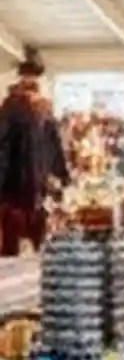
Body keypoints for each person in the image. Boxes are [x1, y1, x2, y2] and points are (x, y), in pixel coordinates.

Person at [0, 50, 69, 254]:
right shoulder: (11, 107)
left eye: (35, 76)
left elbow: (54, 143)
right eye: (28, 76)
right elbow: (2, 145)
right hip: (16, 184)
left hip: (38, 184)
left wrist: (61, 174)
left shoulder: (44, 109)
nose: (31, 81)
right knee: (13, 236)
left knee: (38, 234)